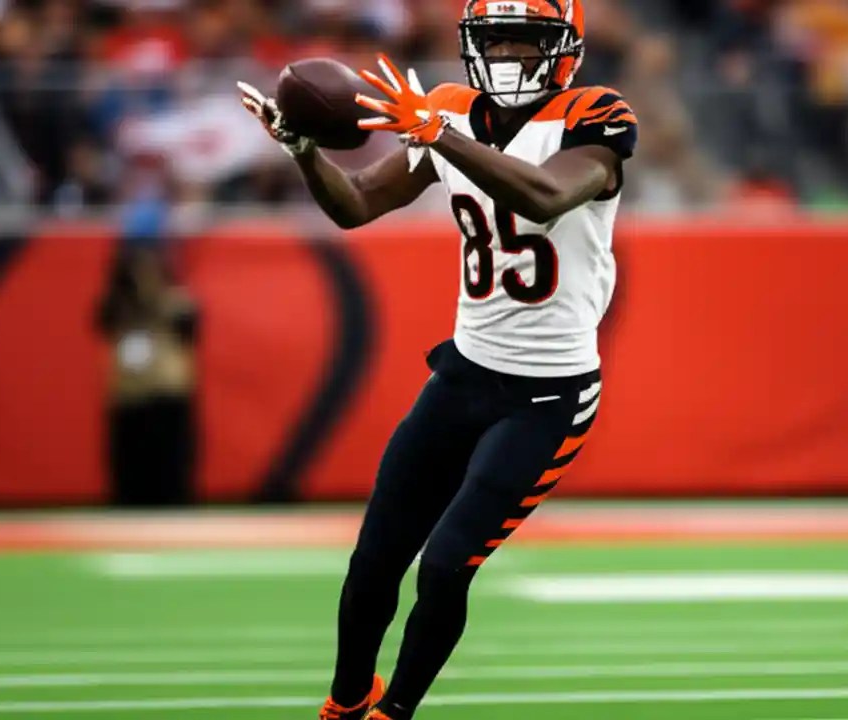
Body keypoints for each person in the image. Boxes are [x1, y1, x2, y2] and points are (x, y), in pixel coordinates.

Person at [238, 1, 635, 718]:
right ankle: (347, 702)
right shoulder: (449, 110)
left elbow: (544, 197)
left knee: (447, 566)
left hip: (547, 396)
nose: (507, 54)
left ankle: (395, 715)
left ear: (565, 50)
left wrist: (438, 133)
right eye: (495, 40)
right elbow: (358, 204)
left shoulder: (596, 115)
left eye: (525, 40)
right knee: (374, 561)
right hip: (462, 377)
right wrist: (304, 151)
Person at [95, 247, 199, 506]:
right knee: (130, 461)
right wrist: (134, 298)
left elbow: (190, 325)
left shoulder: (176, 301)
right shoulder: (119, 304)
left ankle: (173, 503)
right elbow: (103, 320)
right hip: (130, 393)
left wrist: (157, 297)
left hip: (166, 390)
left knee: (170, 461)